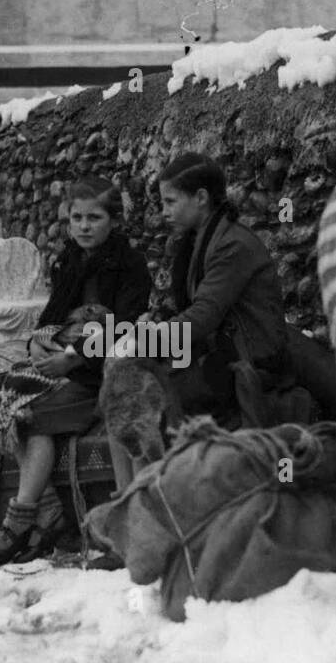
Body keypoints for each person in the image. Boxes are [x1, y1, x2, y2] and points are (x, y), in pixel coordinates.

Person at [0, 176, 152, 569]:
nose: (83, 226)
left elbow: (126, 325)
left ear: (113, 219)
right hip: (69, 365)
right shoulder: (70, 261)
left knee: (29, 417)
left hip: (107, 371)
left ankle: (21, 521)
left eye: (94, 217)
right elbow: (52, 317)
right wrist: (38, 342)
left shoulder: (130, 265)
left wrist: (74, 358)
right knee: (16, 397)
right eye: (77, 217)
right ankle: (42, 514)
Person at [110, 153, 287, 487]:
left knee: (137, 401)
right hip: (217, 350)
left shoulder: (232, 245)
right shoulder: (200, 241)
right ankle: (132, 500)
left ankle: (155, 501)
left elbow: (202, 318)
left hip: (246, 358)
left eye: (170, 201)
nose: (163, 212)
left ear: (202, 198)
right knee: (124, 391)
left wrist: (139, 344)